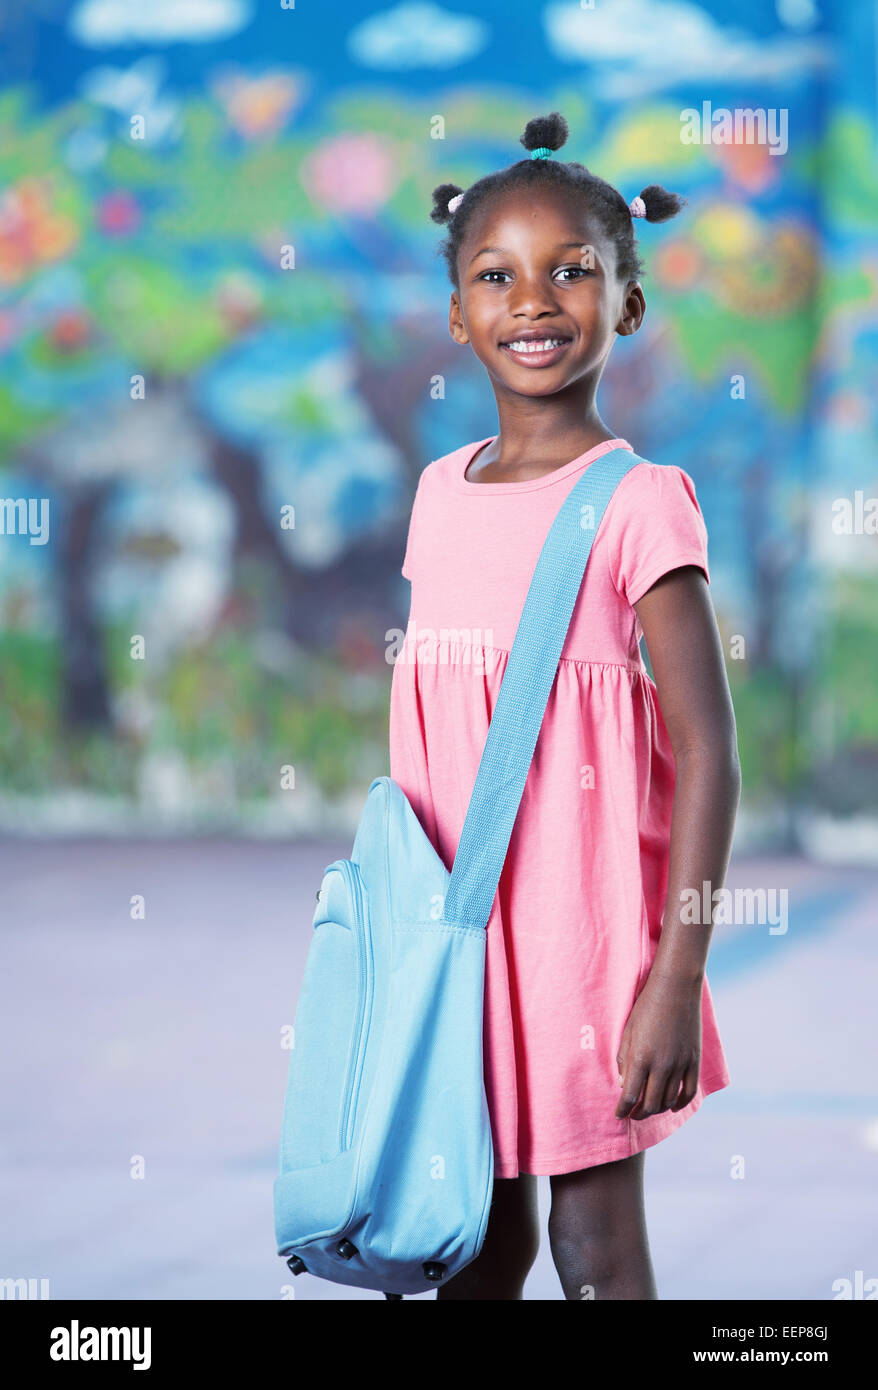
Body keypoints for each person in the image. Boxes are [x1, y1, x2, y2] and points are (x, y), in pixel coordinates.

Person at [388, 112, 741, 1300]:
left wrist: (674, 974)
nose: (532, 300)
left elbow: (708, 752)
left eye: (571, 271)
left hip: (585, 949)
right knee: (465, 1240)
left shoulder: (641, 503)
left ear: (626, 304)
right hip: (451, 948)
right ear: (456, 313)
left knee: (593, 1244)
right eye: (495, 275)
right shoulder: (438, 495)